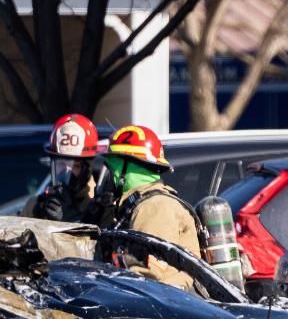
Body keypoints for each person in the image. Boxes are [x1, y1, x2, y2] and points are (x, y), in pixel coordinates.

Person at [101, 124, 204, 291]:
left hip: (169, 309)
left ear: (126, 170)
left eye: (113, 169)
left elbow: (144, 280)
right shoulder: (144, 204)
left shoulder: (154, 208)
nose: (110, 178)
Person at [27, 113, 103, 223]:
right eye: (61, 164)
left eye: (75, 166)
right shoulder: (34, 206)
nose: (67, 172)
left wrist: (71, 222)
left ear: (87, 169)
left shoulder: (100, 210)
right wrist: (37, 216)